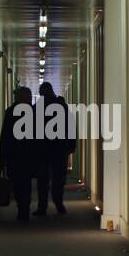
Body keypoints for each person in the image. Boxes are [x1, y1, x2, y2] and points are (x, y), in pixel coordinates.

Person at [34, 81, 76, 216]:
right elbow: (71, 126)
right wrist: (71, 145)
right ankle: (58, 203)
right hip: (58, 148)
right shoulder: (61, 106)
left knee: (43, 179)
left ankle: (43, 207)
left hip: (43, 149)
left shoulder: (39, 107)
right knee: (58, 178)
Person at [0, 87, 35, 222]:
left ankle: (22, 207)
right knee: (26, 182)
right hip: (29, 155)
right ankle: (24, 207)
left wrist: (1, 157)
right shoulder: (33, 112)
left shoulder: (10, 112)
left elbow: (5, 136)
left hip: (14, 155)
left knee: (18, 182)